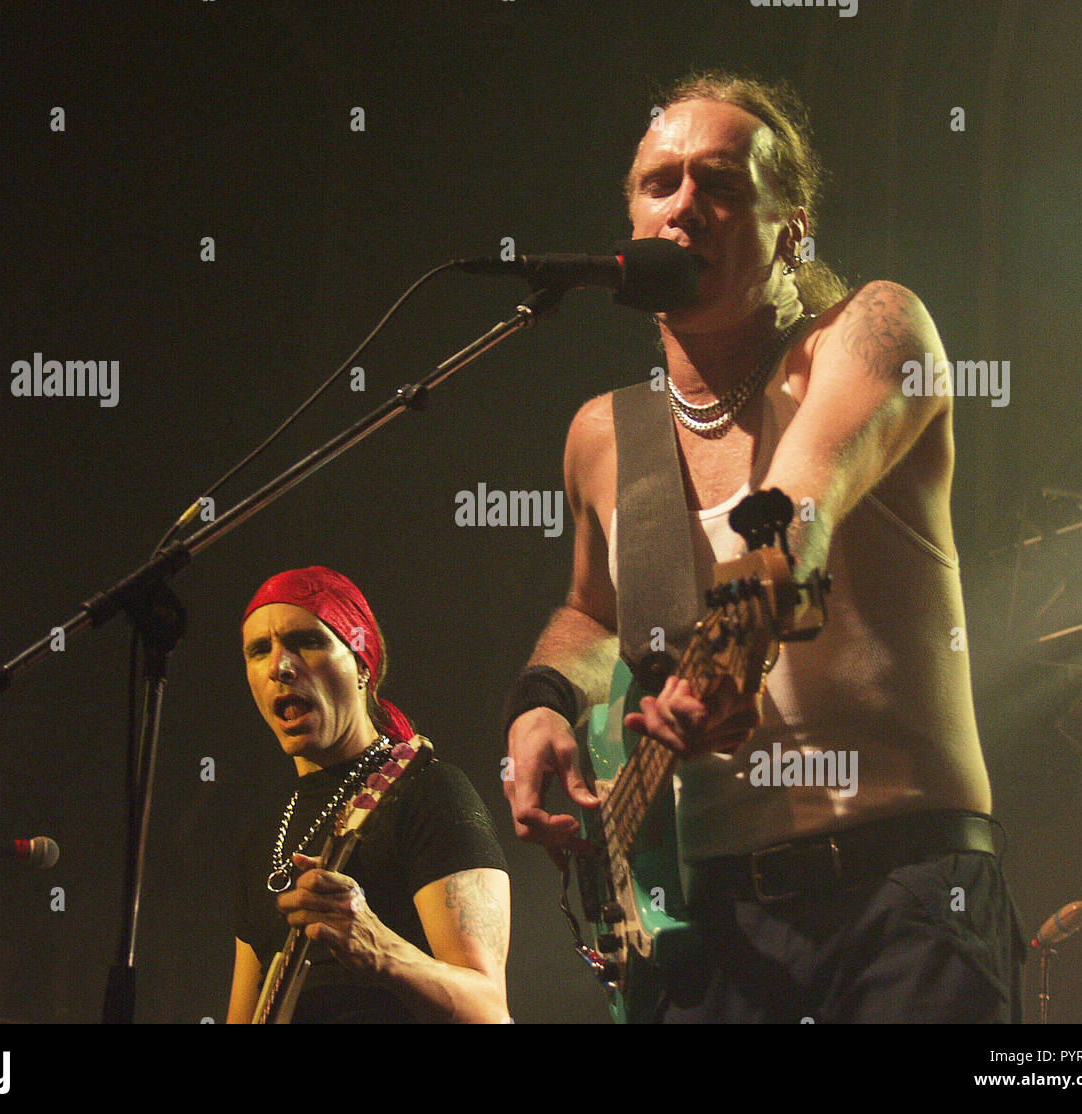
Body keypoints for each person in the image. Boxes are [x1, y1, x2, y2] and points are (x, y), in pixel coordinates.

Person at [502, 72, 1025, 1022]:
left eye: (721, 184)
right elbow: (589, 612)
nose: (684, 207)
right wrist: (541, 704)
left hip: (904, 893)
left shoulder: (869, 332)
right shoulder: (605, 437)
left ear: (791, 231)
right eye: (660, 183)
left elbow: (795, 509)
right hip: (717, 929)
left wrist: (726, 662)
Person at [227, 565, 511, 1023]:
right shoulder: (263, 842)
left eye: (307, 641)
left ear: (362, 664)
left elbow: (489, 1011)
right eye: (259, 650)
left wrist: (377, 946)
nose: (279, 666)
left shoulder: (430, 794)